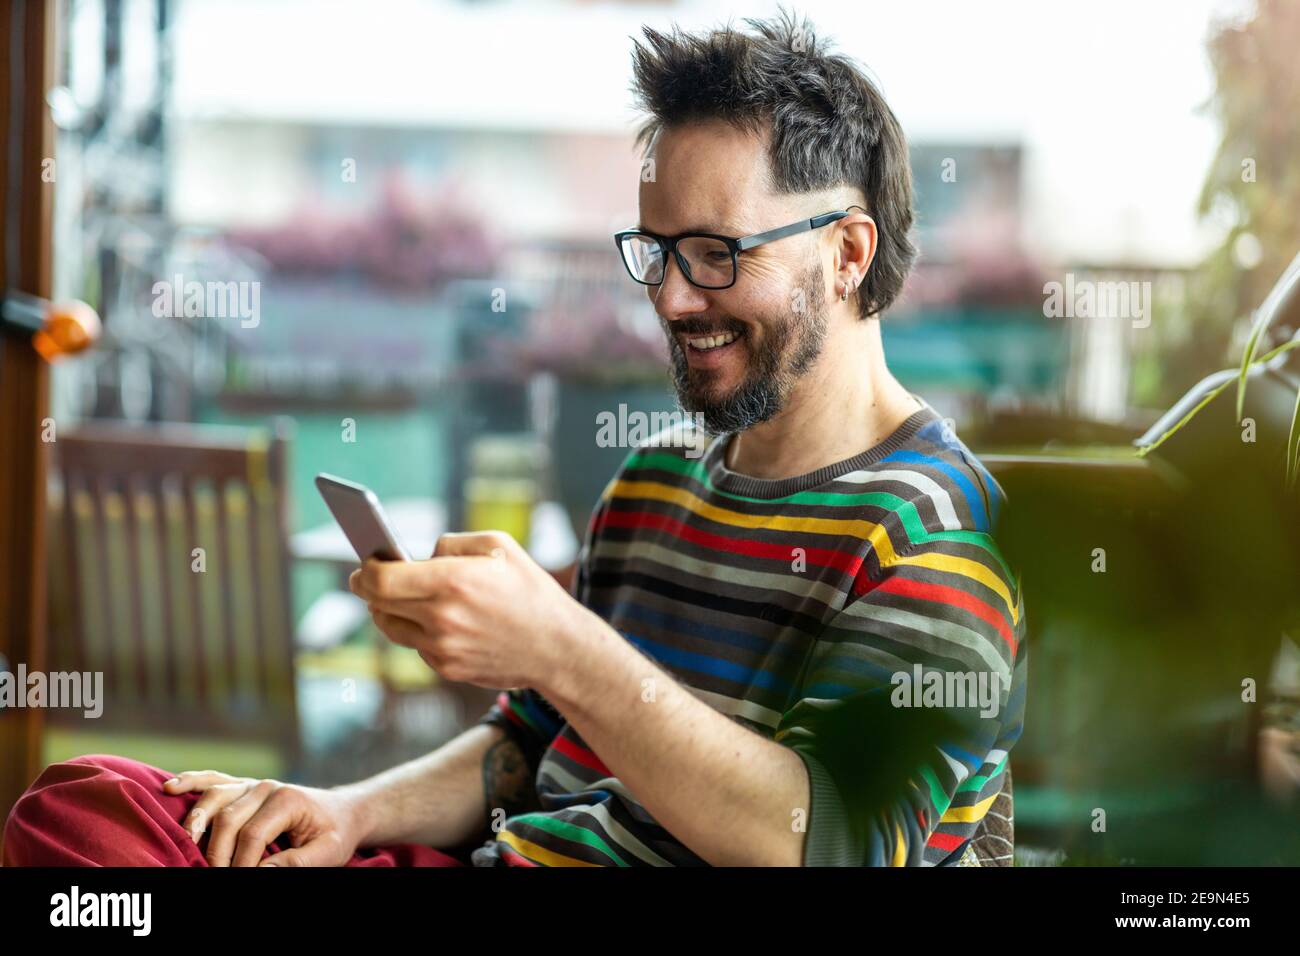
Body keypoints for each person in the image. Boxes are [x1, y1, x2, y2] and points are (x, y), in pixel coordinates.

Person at [3, 11, 1025, 868]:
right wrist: (348, 809)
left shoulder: (940, 534)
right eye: (656, 251)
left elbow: (831, 837)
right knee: (86, 807)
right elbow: (528, 741)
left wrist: (566, 646)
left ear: (848, 252)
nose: (671, 297)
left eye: (715, 253)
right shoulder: (658, 478)